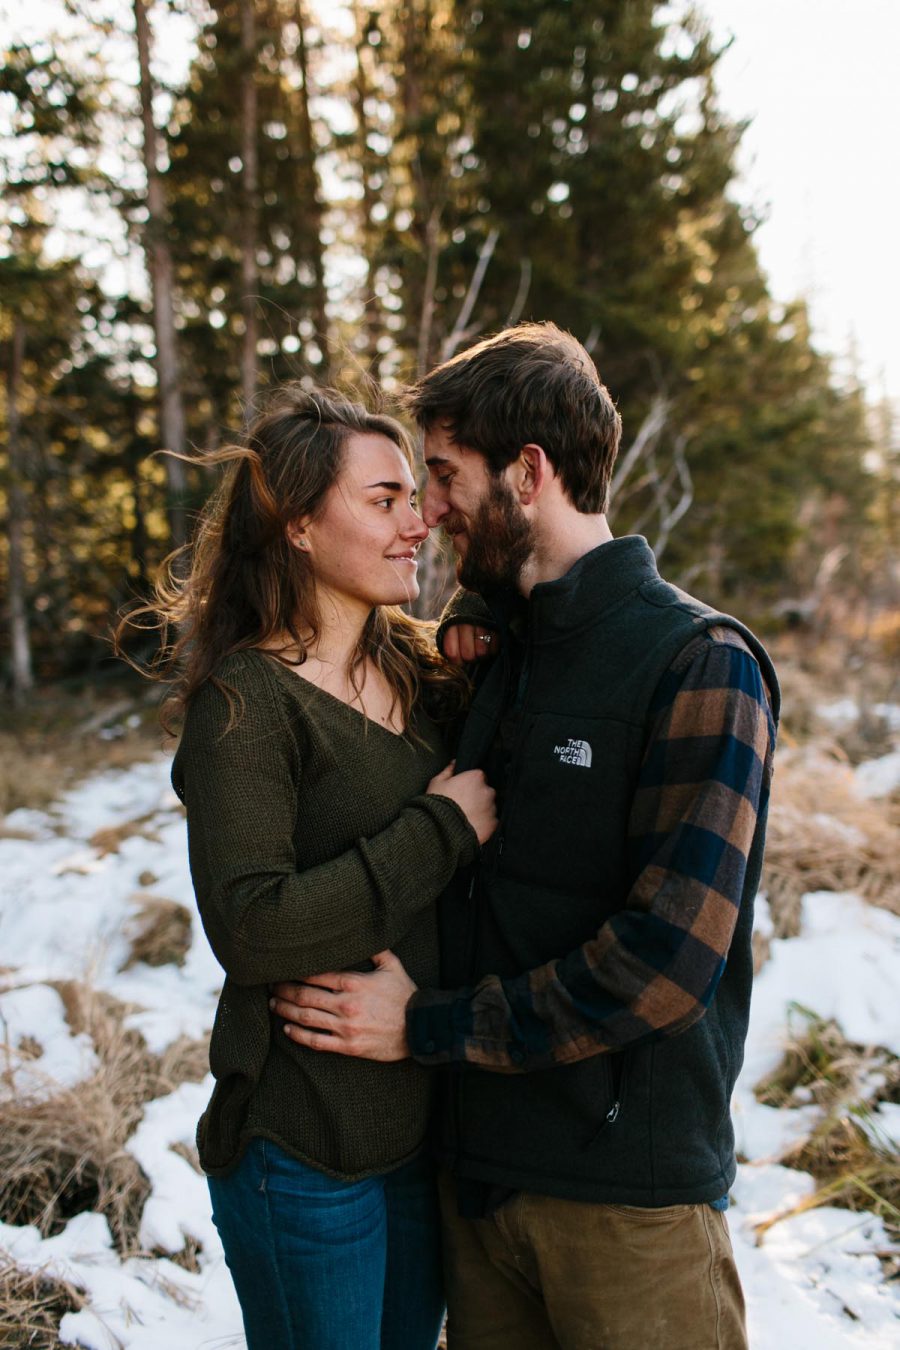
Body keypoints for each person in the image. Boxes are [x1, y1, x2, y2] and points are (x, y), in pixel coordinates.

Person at [271, 323, 780, 1350]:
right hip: (481, 1190)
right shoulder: (494, 650)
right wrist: (476, 603)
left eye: (448, 478)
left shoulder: (700, 662)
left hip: (627, 1205)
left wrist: (428, 1026)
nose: (431, 512)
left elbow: (666, 964)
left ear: (530, 470)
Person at [120, 387, 498, 1350]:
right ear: (296, 525)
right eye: (384, 500)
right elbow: (253, 930)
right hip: (302, 1148)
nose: (418, 522)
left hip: (423, 1133)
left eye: (415, 495)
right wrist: (439, 830)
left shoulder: (417, 668)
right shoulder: (247, 705)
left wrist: (485, 626)